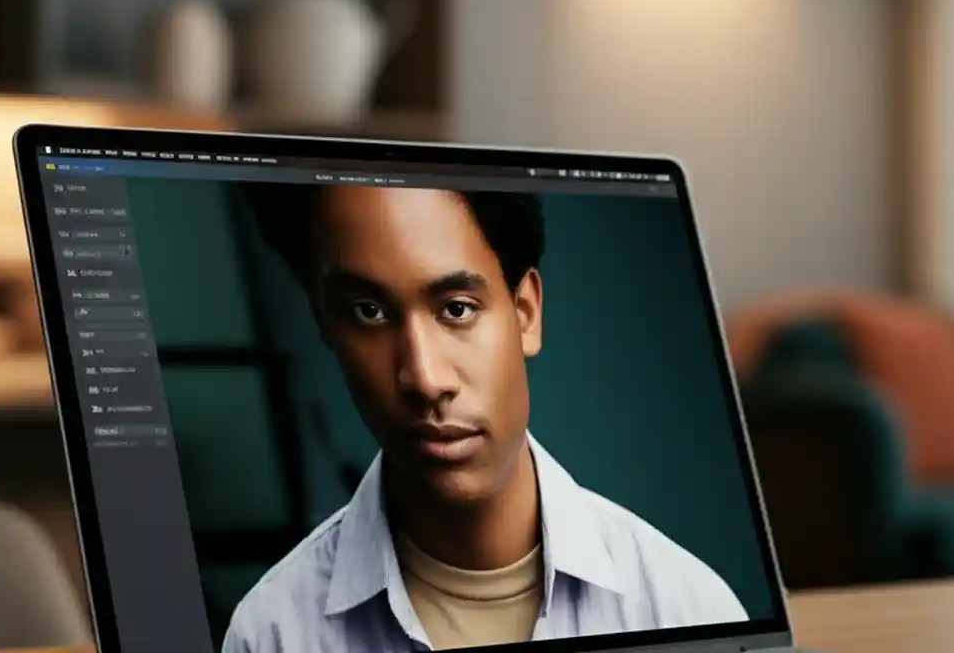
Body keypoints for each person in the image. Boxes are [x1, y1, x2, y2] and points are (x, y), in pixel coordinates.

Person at [223, 184, 747, 652]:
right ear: (324, 326)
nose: (425, 379)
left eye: (457, 309)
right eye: (368, 311)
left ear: (526, 312)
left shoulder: (685, 606)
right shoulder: (271, 632)